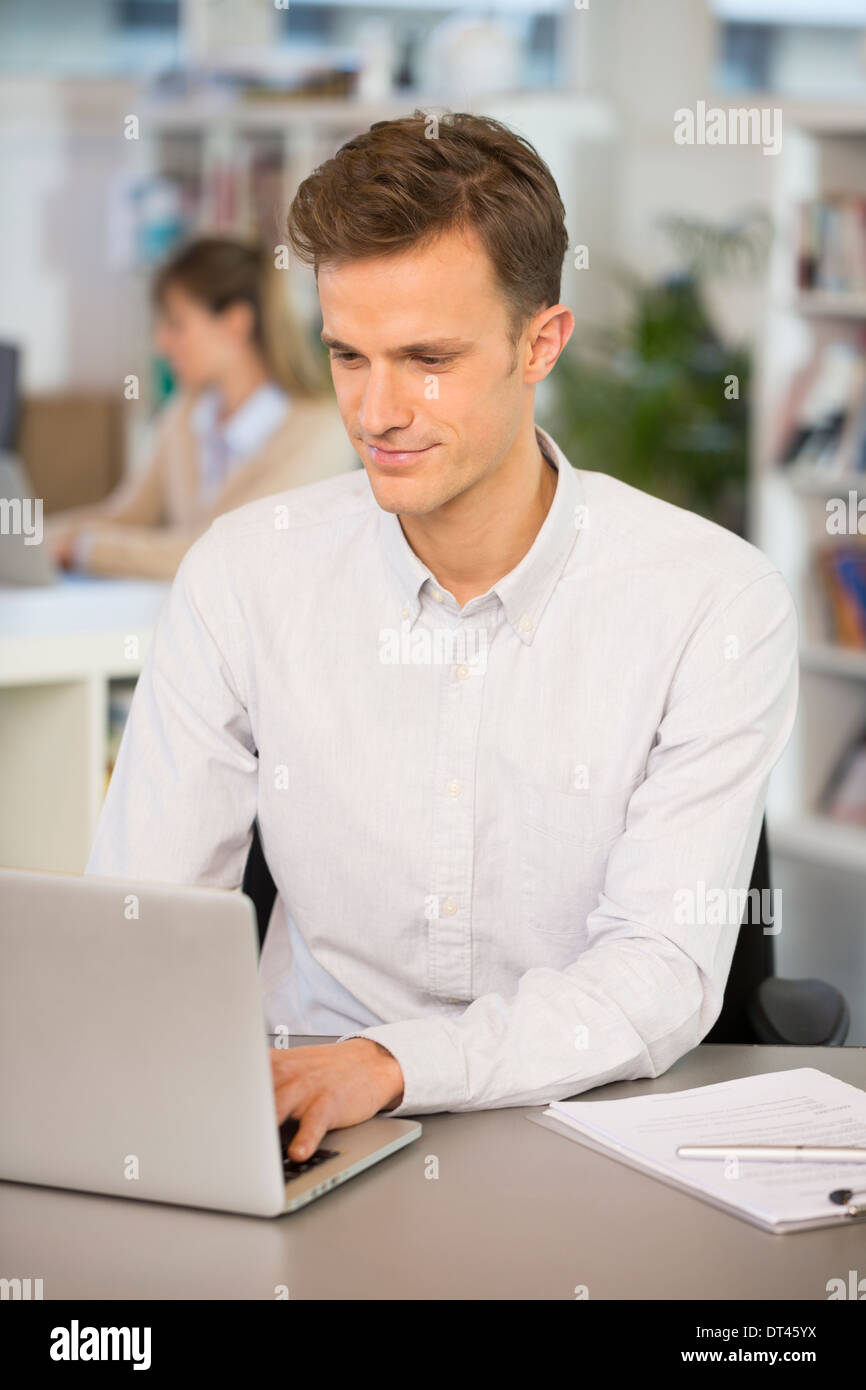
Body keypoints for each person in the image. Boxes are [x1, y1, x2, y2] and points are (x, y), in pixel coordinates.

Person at [86, 112, 799, 1163]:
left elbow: (657, 972)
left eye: (426, 358)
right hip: (293, 1124)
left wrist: (392, 1061)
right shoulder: (244, 576)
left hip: (579, 1133)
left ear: (539, 342)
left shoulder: (710, 601)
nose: (377, 411)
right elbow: (136, 923)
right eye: (346, 354)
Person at [45, 237, 352, 580]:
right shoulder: (183, 415)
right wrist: (28, 537)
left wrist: (85, 549)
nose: (160, 343)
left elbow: (228, 554)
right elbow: (126, 516)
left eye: (176, 324)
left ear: (236, 323)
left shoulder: (320, 433)